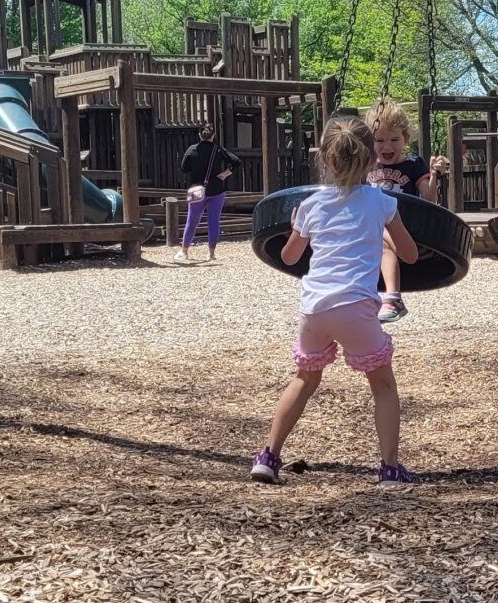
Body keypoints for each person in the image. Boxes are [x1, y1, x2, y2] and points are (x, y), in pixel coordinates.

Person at [251, 115, 420, 486]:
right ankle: (390, 468)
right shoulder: (381, 202)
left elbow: (291, 258)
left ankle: (268, 456)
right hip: (356, 307)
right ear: (371, 159)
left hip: (314, 309)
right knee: (383, 386)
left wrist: (297, 225)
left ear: (325, 160)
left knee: (304, 381)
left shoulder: (310, 205)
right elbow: (408, 255)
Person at [364, 100, 449, 323]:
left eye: (394, 140)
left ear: (406, 140)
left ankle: (393, 298)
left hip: (405, 229)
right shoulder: (366, 166)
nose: (387, 147)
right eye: (379, 140)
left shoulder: (413, 164)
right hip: (372, 229)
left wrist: (433, 175)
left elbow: (429, 197)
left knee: (383, 239)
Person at [177, 124, 239, 263]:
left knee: (192, 221)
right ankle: (211, 253)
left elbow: (183, 168)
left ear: (200, 135)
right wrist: (225, 173)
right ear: (213, 135)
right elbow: (236, 161)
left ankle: (184, 251)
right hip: (216, 189)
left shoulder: (192, 150)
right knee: (213, 221)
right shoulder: (218, 150)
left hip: (196, 189)